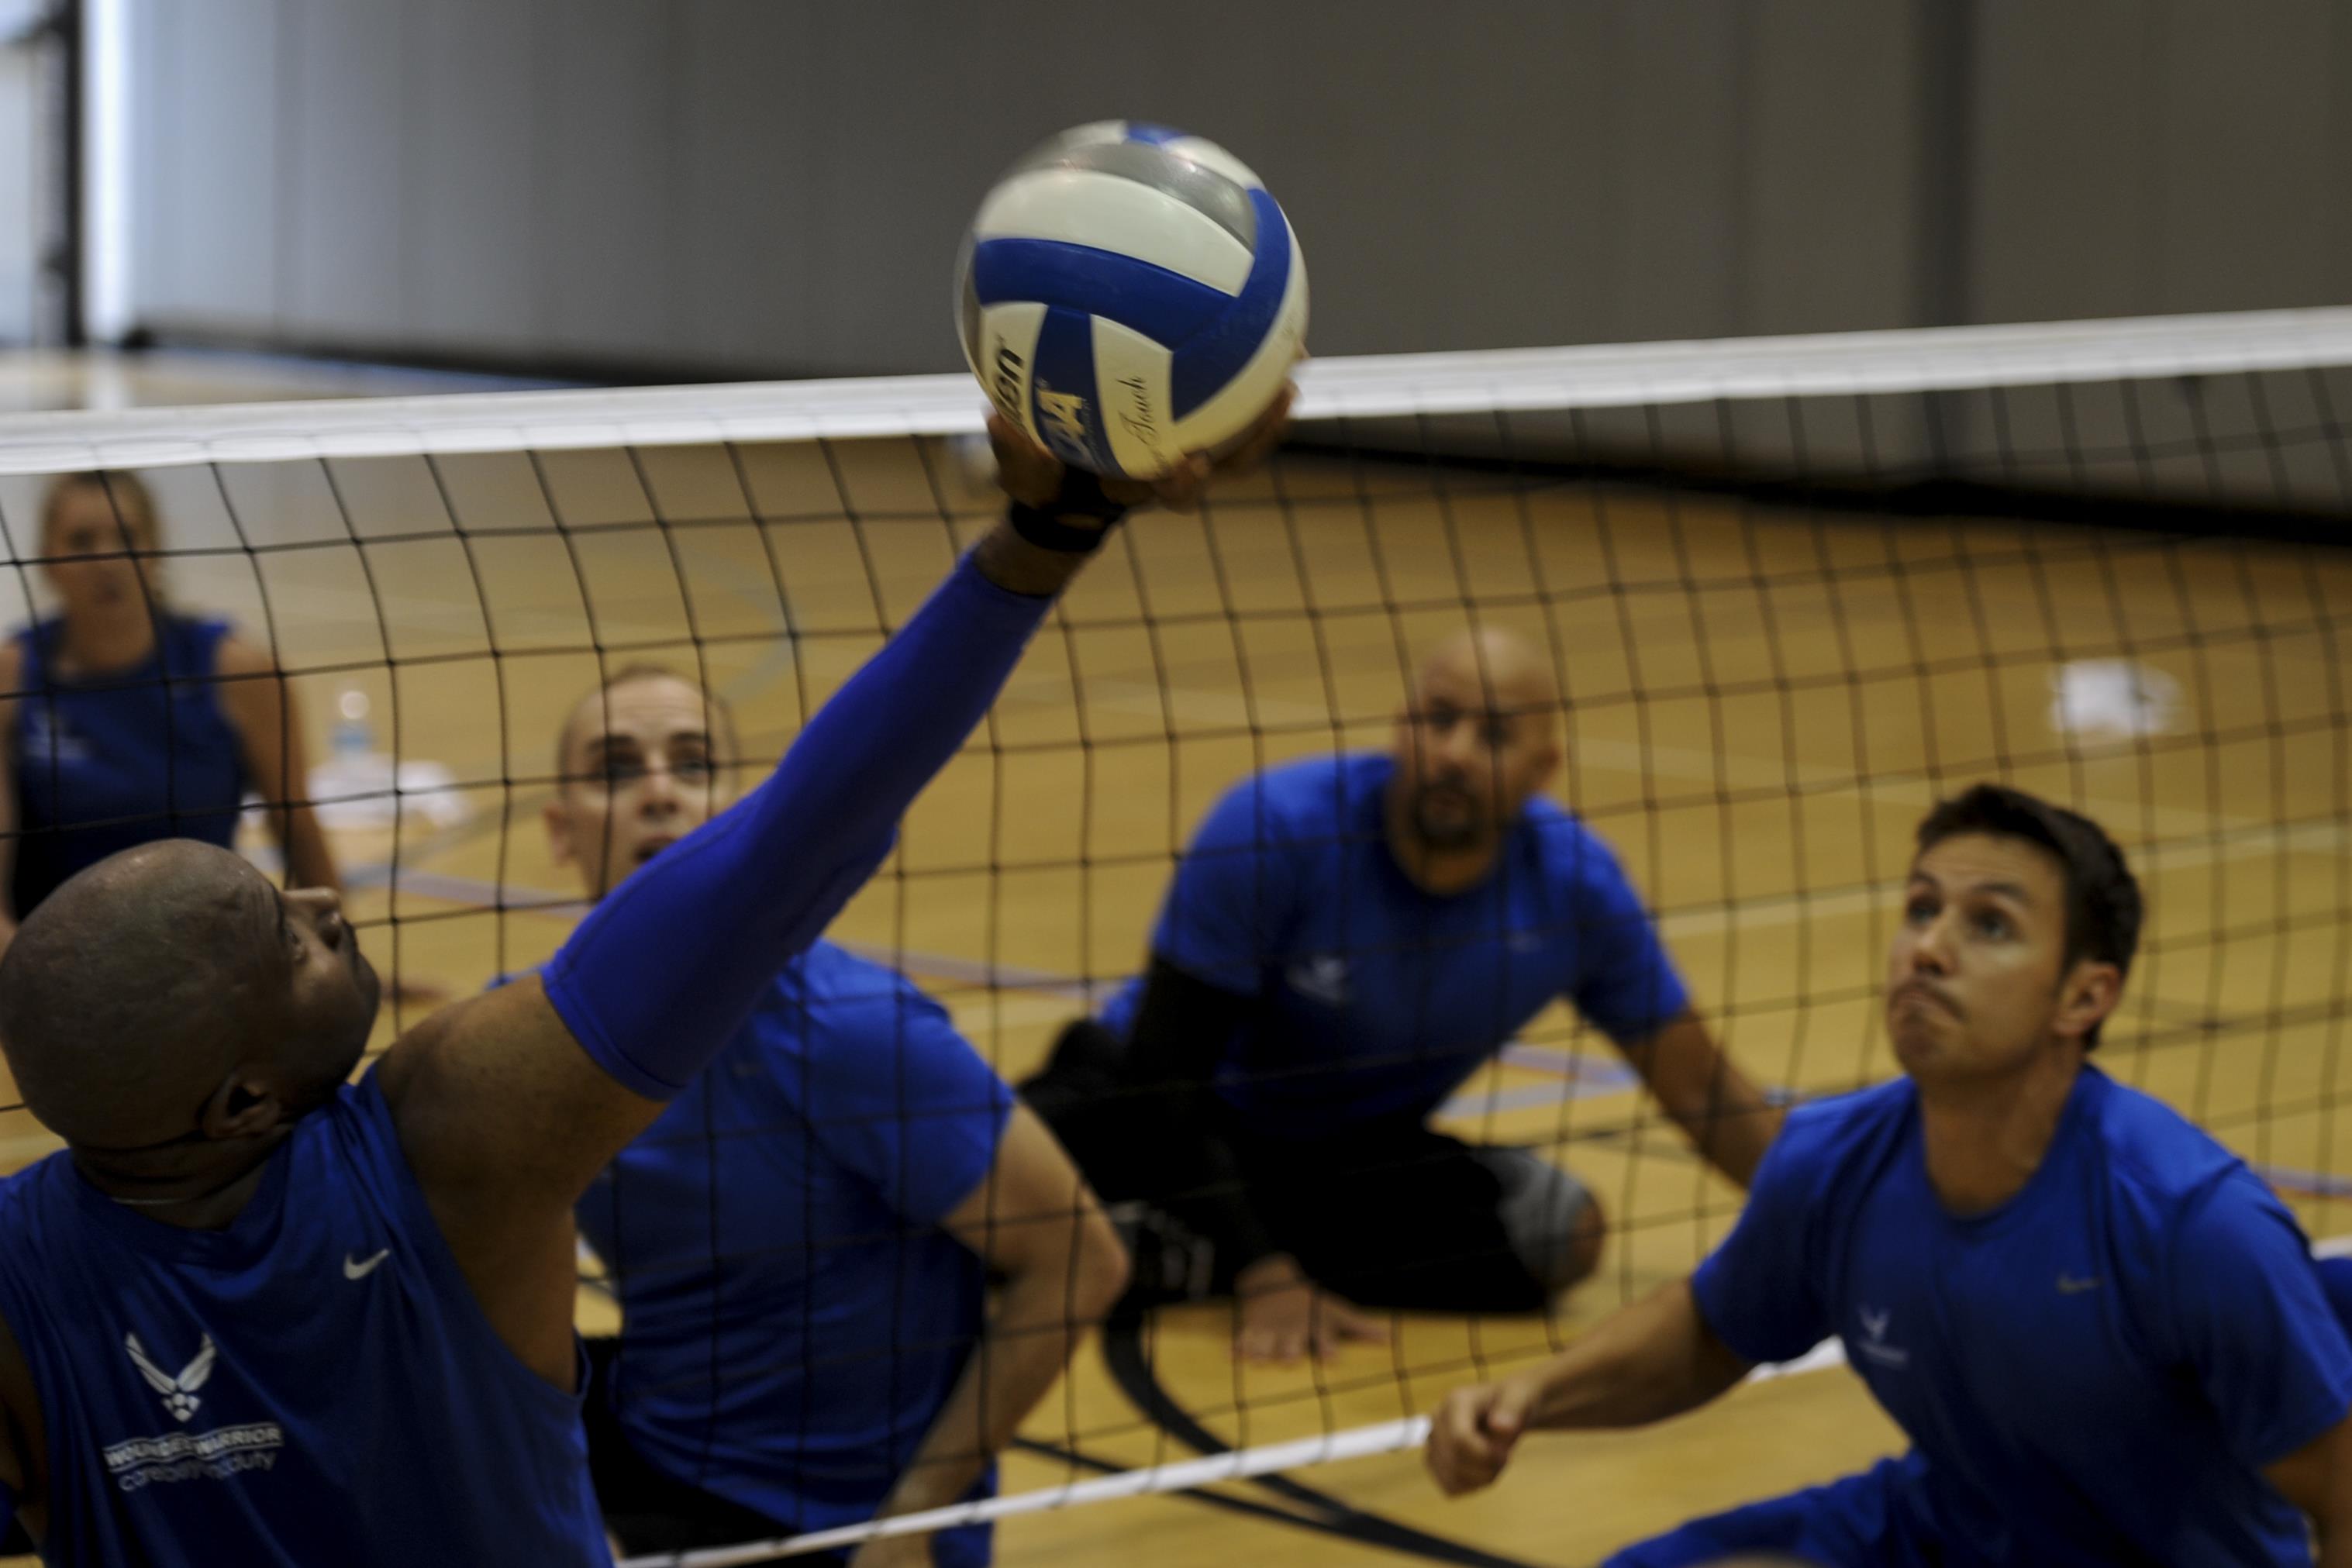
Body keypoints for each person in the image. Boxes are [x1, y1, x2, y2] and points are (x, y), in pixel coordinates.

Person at [0, 395, 1287, 1565]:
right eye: (281, 938)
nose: (325, 899)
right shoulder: (463, 1130)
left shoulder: (20, 1270)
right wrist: (1041, 535)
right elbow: (797, 838)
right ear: (237, 1102)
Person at [1426, 784, 2352, 1567]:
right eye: (1920, 908)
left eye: (1989, 924)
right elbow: (1711, 1331)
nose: (1929, 947)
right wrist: (1531, 1400)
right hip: (1941, 1531)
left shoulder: (2192, 1221)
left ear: (2084, 995)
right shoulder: (1831, 1160)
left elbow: (2339, 1490)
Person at [1024, 626, 1781, 1362]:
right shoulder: (1275, 824)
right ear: (1401, 723)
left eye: (1491, 736)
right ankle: (1185, 1238)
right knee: (981, 1188)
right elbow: (1163, 1077)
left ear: (1542, 768)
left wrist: (1835, 1211)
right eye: (1437, 718)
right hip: (1164, 1116)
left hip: (1340, 1158)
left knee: (1559, 1232)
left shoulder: (1575, 890)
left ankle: (1161, 1247)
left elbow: (1701, 1085)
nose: (1452, 752)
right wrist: (1267, 1274)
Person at [547, 665, 1129, 1566]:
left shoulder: (850, 1031)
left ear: (745, 816)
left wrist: (915, 1517)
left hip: (845, 1522)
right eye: (617, 768)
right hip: (652, 1443)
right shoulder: (546, 1041)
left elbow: (1080, 1261)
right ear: (559, 828)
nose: (659, 791)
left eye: (692, 764)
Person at [0, 471, 374, 968]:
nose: (107, 559)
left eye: (127, 537)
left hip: (206, 964)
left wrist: (344, 962)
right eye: (82, 541)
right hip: (57, 966)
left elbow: (300, 832)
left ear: (155, 550)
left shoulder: (235, 669)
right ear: (46, 559)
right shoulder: (13, 676)